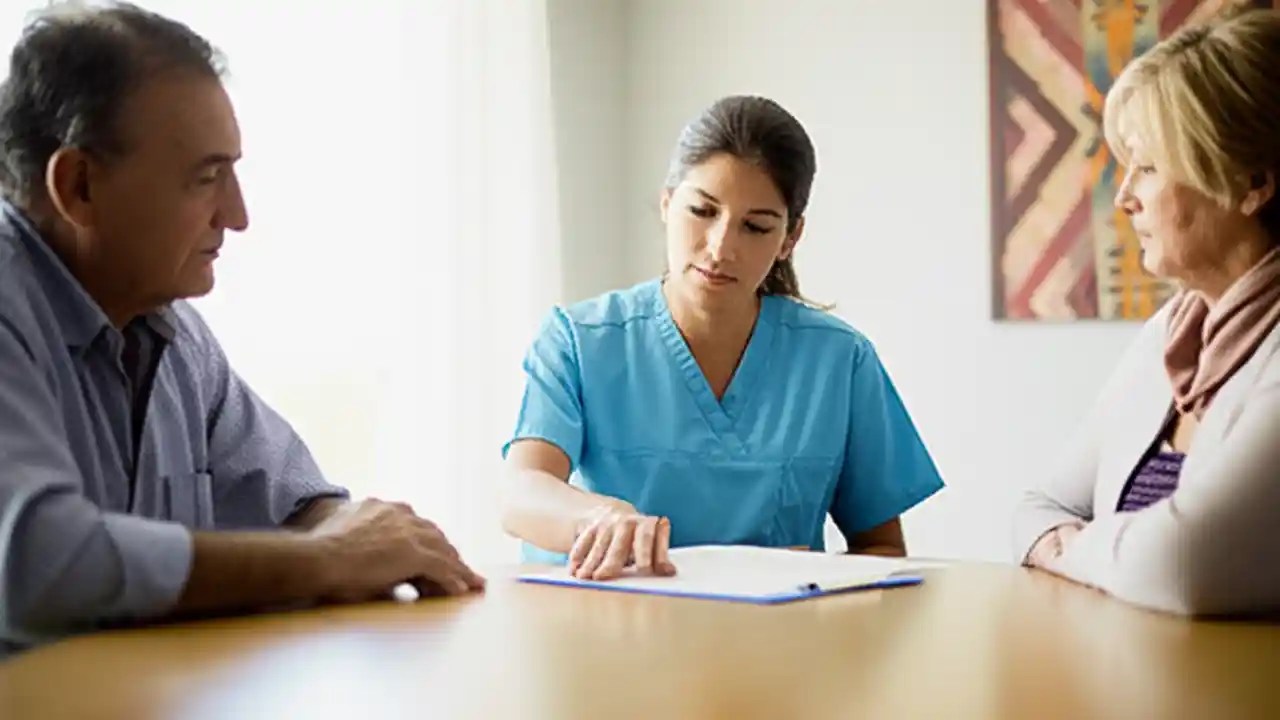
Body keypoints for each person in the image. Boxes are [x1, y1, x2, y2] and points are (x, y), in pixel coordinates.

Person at [0, 2, 482, 651]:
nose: (237, 214)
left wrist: (367, 538)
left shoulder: (174, 333)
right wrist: (332, 559)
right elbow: (39, 561)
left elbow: (297, 505)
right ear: (79, 185)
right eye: (206, 178)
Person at [500, 94, 944, 580]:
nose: (720, 248)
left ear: (790, 239)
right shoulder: (579, 341)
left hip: (776, 626)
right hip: (605, 623)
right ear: (667, 204)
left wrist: (799, 574)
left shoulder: (841, 361)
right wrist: (599, 518)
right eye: (701, 210)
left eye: (755, 227)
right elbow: (521, 491)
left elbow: (881, 548)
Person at [1013, 8, 1280, 616]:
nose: (1125, 196)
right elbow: (1036, 509)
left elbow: (1184, 563)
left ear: (1252, 183)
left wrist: (1074, 547)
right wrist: (1119, 553)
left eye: (1150, 167)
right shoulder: (1173, 331)